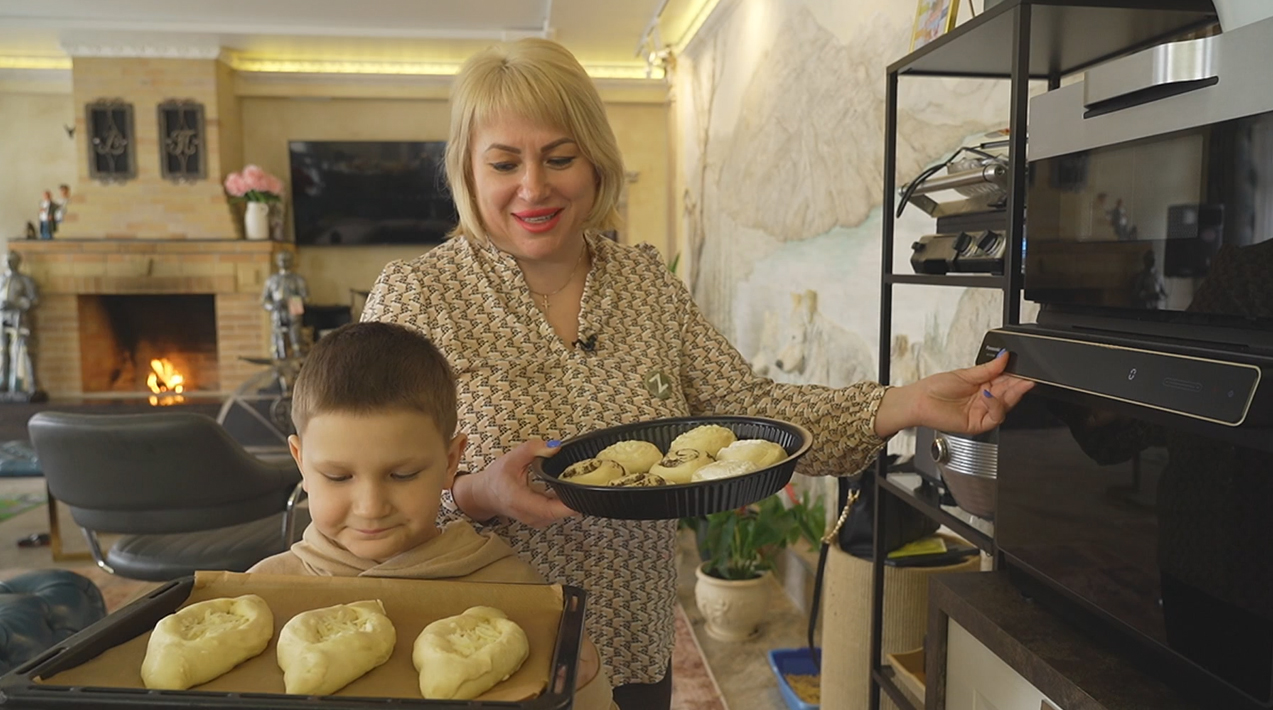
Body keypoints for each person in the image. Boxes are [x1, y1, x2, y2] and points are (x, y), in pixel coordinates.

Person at [360, 38, 1034, 709]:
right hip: (475, 655)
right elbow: (361, 491)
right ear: (468, 174)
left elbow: (749, 410)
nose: (533, 187)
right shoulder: (417, 299)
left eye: (559, 158)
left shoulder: (645, 283)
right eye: (504, 163)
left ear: (594, 161)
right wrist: (477, 493)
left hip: (630, 644)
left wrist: (906, 402)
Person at [248, 322, 614, 708]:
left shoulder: (513, 590)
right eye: (338, 476)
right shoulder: (261, 592)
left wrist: (584, 684)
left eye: (402, 475)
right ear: (301, 463)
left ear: (450, 461)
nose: (371, 506)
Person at [0, 251, 39, 394]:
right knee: (2, 351)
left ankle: (29, 385)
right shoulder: (1, 279)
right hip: (2, 318)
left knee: (23, 351)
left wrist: (16, 304)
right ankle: (3, 382)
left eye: (12, 260)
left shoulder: (25, 280)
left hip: (19, 318)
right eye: (7, 260)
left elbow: (34, 300)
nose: (9, 263)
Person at [260, 250, 308, 360]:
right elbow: (264, 300)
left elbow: (306, 299)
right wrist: (273, 305)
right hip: (277, 317)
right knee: (277, 348)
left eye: (286, 260)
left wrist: (289, 303)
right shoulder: (271, 280)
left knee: (297, 345)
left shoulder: (298, 279)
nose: (284, 262)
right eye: (281, 259)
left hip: (294, 317)